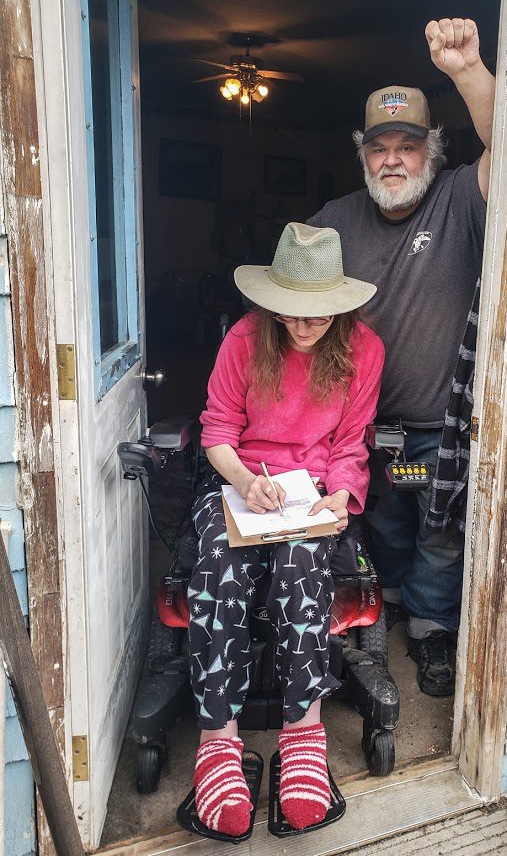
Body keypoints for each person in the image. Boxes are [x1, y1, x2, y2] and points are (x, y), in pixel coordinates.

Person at [307, 18, 495, 698]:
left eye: (408, 147)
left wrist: (467, 71)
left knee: (438, 535)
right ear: (363, 156)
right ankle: (383, 612)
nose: (393, 160)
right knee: (380, 525)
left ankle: (431, 629)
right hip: (359, 426)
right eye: (379, 148)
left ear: (431, 154)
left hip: (440, 423)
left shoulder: (460, 198)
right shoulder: (333, 221)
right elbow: (286, 301)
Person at [189, 221, 384, 836]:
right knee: (219, 564)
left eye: (317, 314)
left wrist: (340, 496)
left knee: (302, 566)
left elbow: (351, 444)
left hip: (312, 494)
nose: (302, 327)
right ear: (271, 302)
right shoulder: (245, 341)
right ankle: (218, 739)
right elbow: (217, 433)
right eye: (290, 313)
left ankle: (303, 734)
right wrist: (247, 482)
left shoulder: (365, 351)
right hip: (241, 484)